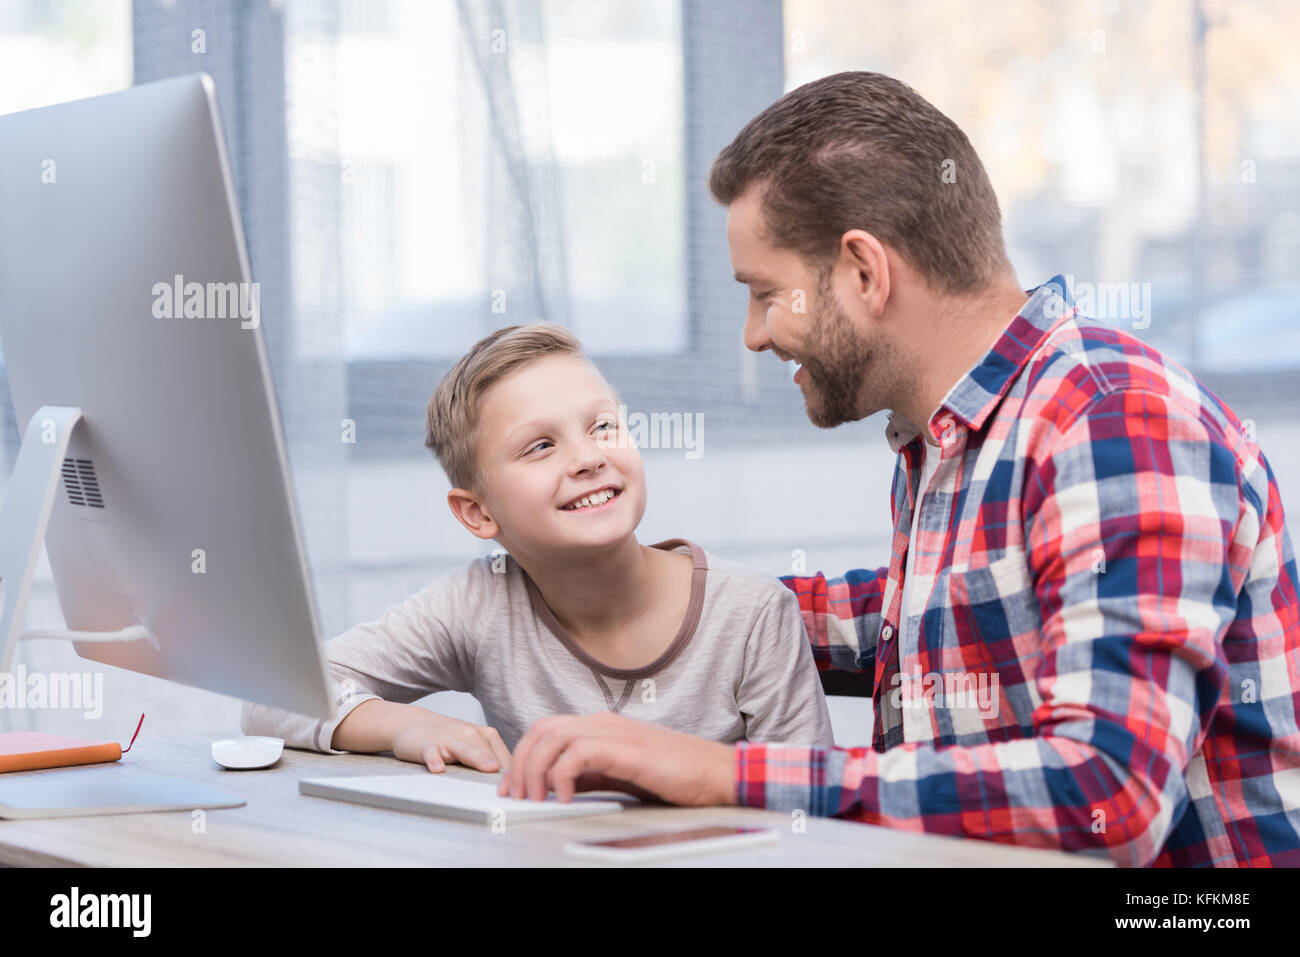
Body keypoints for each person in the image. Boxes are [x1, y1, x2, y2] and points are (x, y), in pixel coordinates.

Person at [497, 71, 1300, 868]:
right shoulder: (960, 432)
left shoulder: (1112, 418)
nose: (752, 335)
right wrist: (663, 599)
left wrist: (722, 775)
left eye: (764, 293)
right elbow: (949, 616)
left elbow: (1109, 791)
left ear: (863, 272)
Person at [241, 323, 834, 769]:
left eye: (602, 426)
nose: (588, 457)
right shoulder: (478, 606)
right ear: (477, 513)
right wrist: (403, 727)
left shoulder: (753, 614)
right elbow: (272, 692)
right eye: (540, 447)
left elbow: (814, 809)